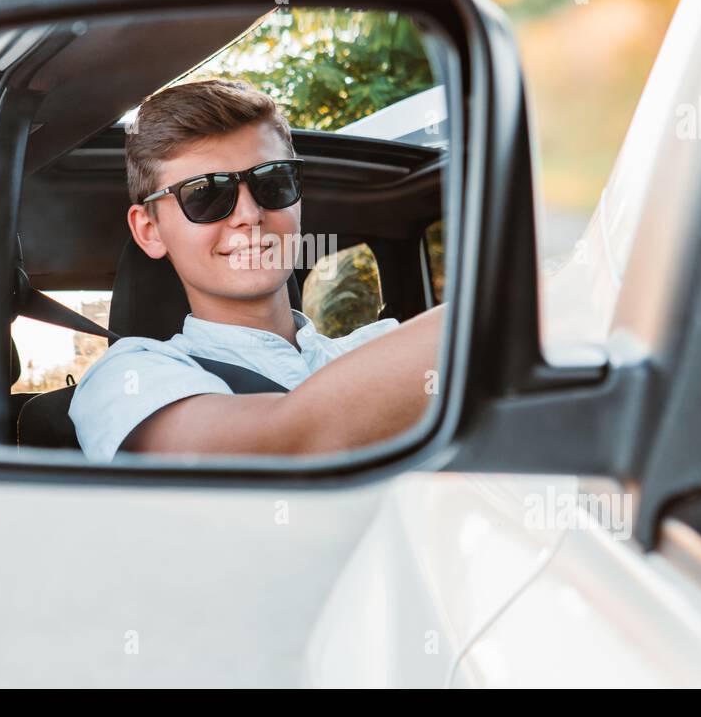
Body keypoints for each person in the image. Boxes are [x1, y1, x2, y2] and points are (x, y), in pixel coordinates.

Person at [69, 78, 444, 461]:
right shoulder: (126, 380)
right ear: (149, 231)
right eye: (205, 195)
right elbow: (288, 443)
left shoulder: (375, 347)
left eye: (273, 181)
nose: (250, 215)